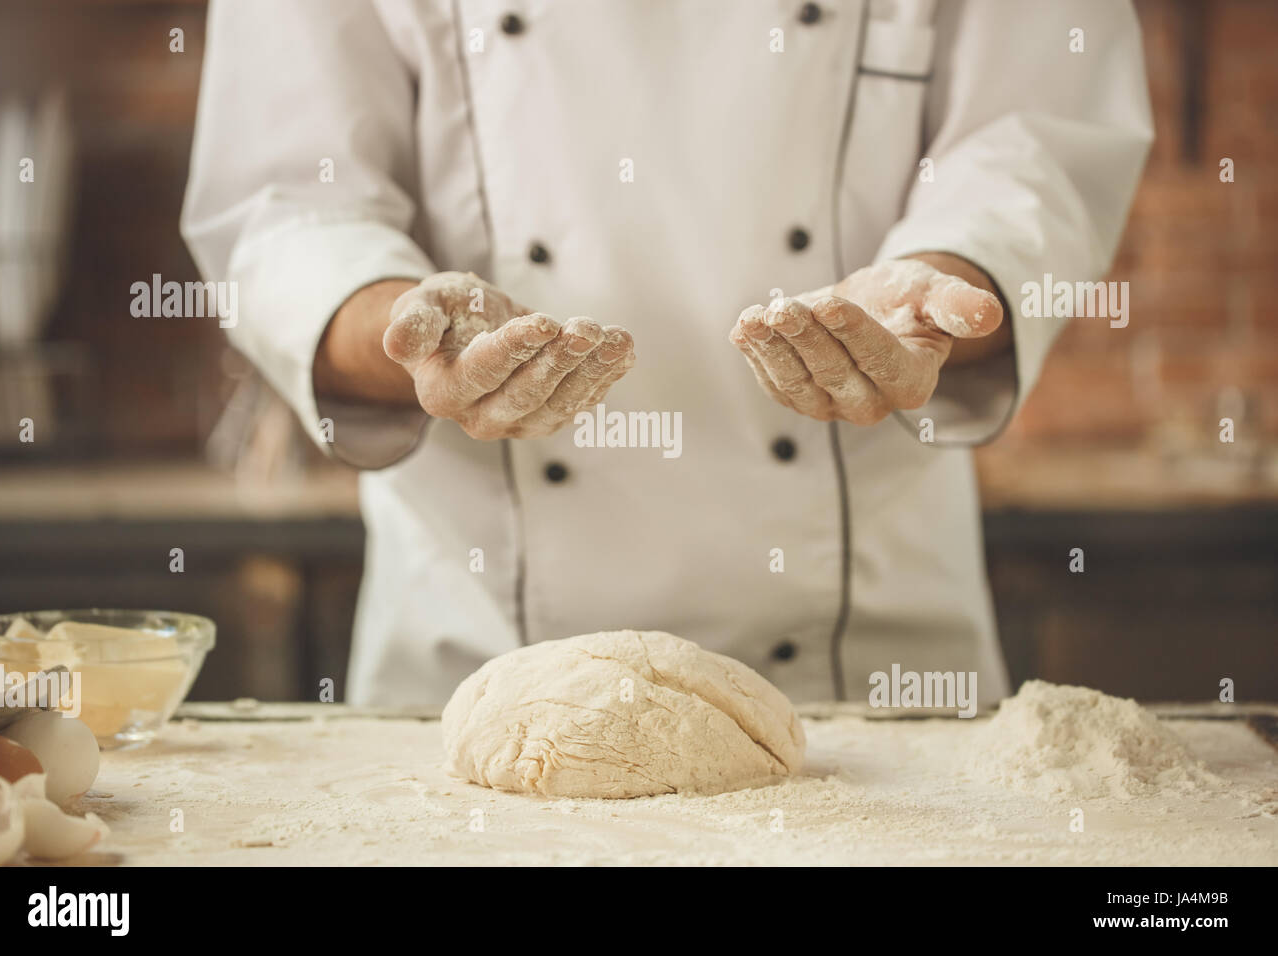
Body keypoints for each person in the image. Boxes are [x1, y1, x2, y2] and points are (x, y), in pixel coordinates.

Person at [182, 0, 1153, 709]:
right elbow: (289, 200)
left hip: (867, 677)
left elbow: (1034, 139)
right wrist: (409, 331)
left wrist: (941, 284)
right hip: (478, 665)